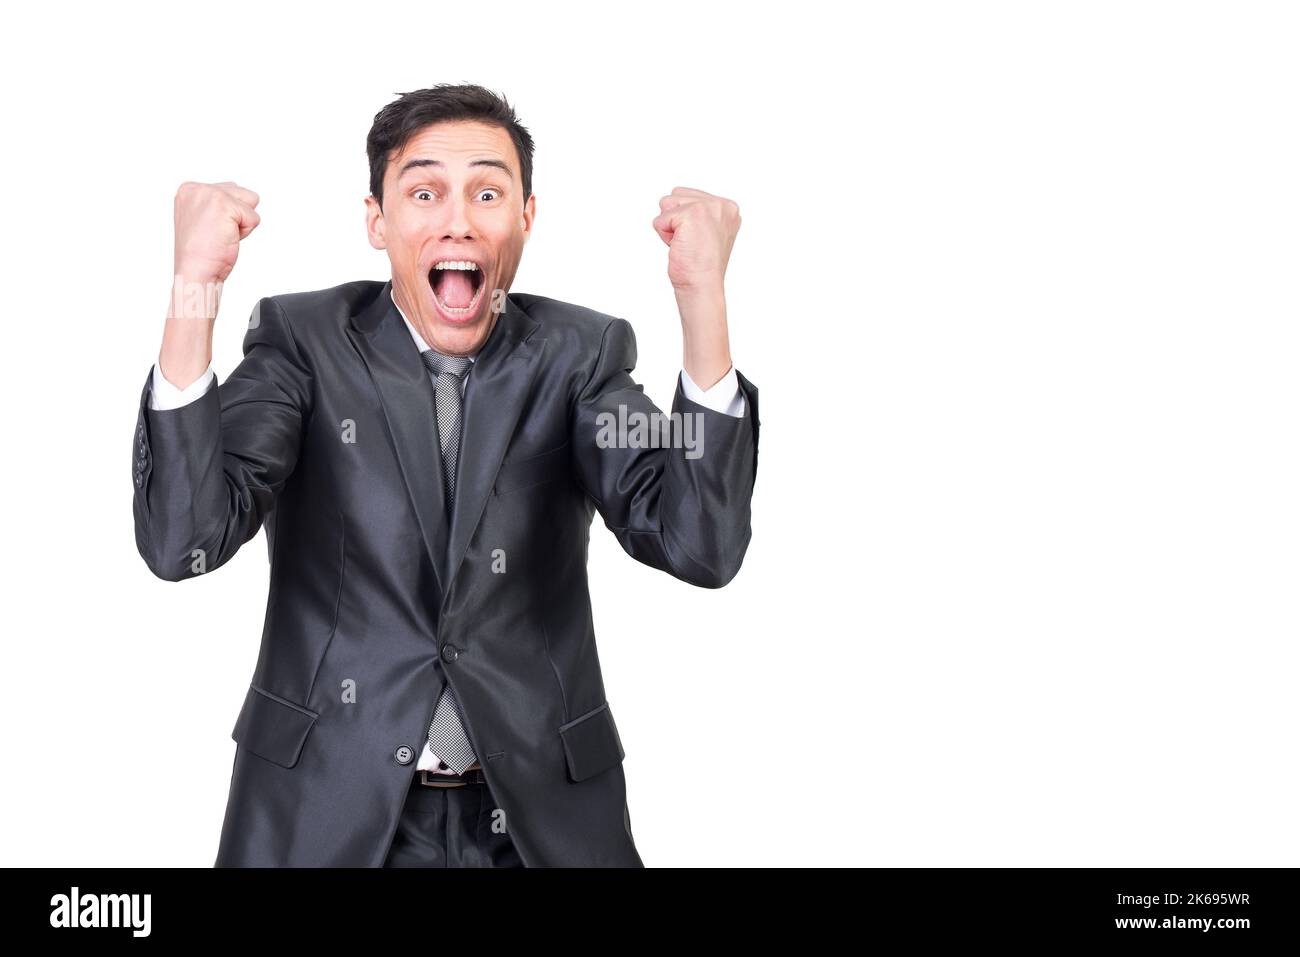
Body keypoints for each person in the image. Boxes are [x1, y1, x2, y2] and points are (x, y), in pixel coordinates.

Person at [131, 83, 759, 866]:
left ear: (526, 216)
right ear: (377, 220)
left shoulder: (577, 357)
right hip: (326, 811)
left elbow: (700, 544)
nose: (457, 218)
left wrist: (703, 304)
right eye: (424, 191)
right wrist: (196, 287)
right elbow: (180, 536)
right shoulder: (303, 343)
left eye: (487, 191)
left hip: (537, 822)